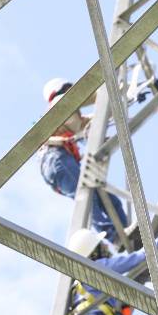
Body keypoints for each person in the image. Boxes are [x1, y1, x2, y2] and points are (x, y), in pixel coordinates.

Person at [40, 78, 130, 244]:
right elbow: (93, 98)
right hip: (56, 158)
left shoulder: (71, 117)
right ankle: (112, 234)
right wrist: (109, 90)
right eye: (70, 88)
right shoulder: (58, 104)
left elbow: (97, 117)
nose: (73, 91)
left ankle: (126, 233)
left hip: (63, 162)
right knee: (88, 199)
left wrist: (124, 97)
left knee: (109, 200)